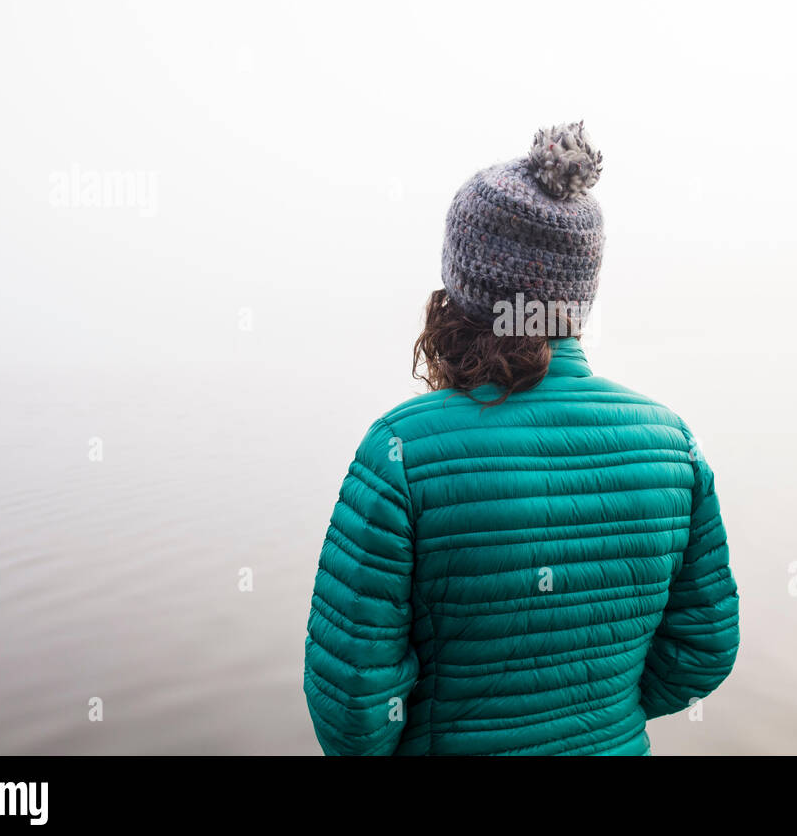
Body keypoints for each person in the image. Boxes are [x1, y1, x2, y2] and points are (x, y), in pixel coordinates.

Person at [303, 122, 739, 755]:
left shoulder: (401, 451)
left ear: (461, 287)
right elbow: (702, 651)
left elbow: (353, 709)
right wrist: (603, 717)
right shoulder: (672, 444)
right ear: (576, 297)